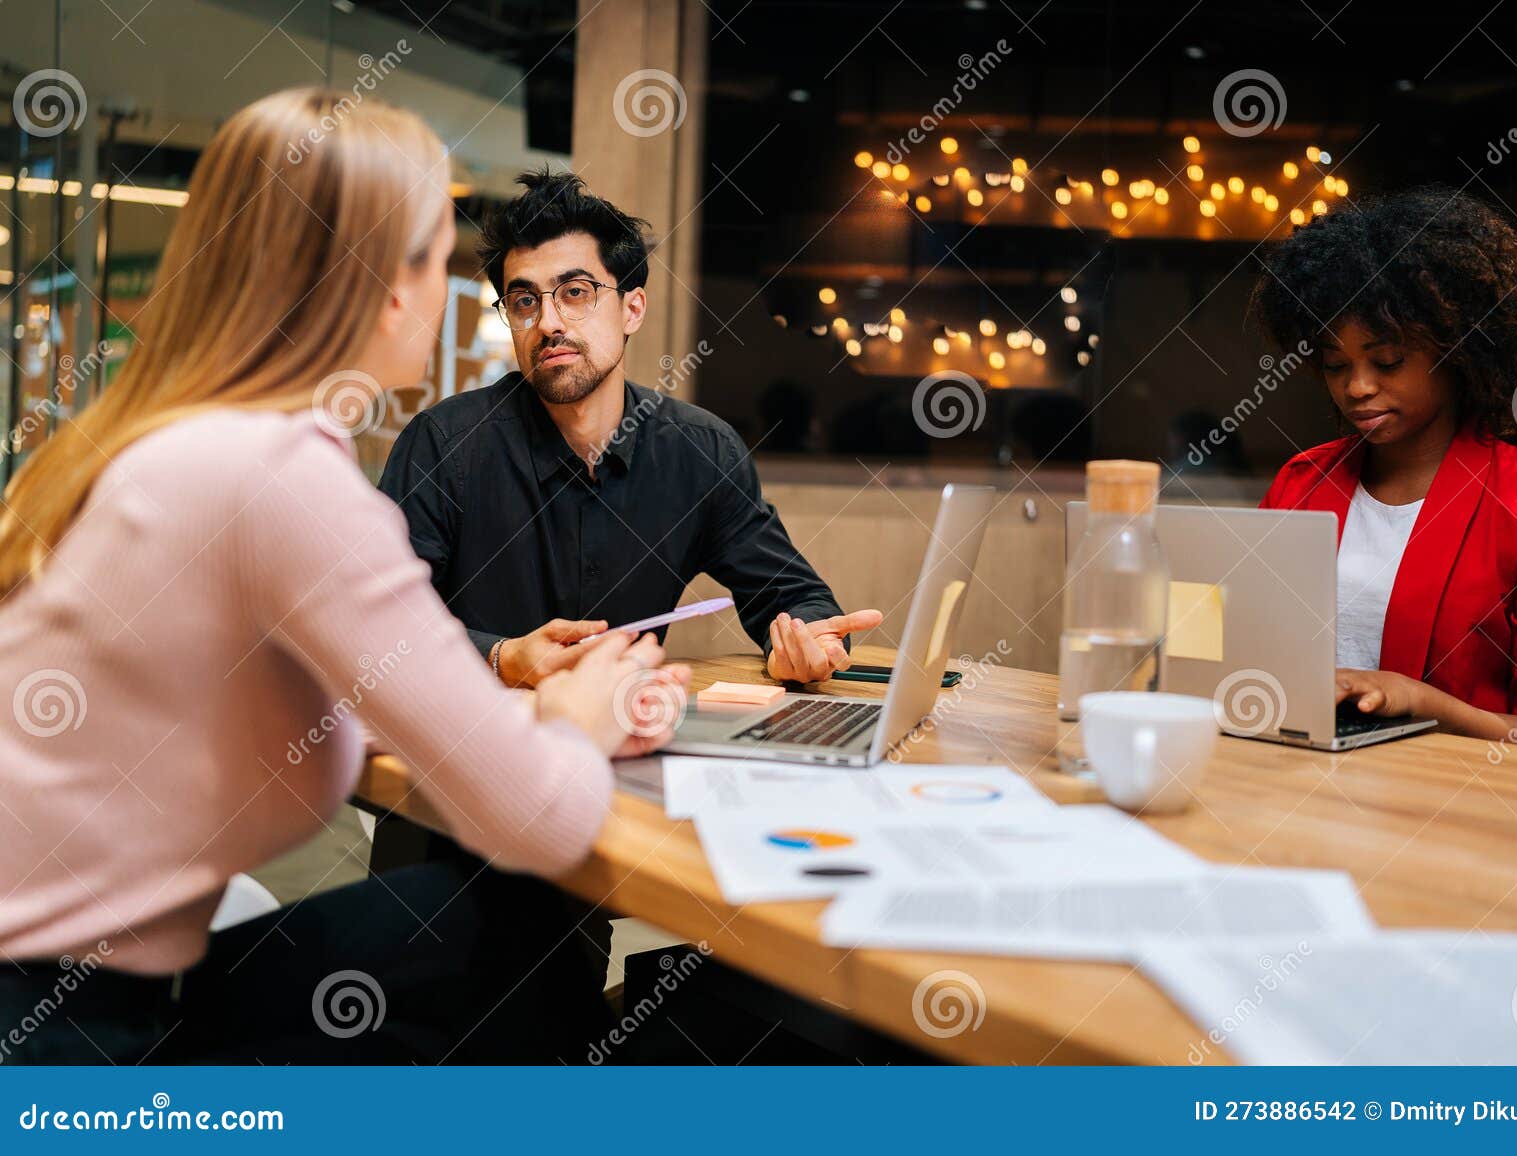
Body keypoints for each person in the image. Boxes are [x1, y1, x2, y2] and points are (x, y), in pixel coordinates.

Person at [0, 89, 689, 1063]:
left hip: (69, 984)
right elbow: (537, 819)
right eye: (437, 256)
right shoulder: (280, 476)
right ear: (387, 287)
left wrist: (516, 702)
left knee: (476, 936)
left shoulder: (160, 441)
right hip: (63, 1036)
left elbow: (293, 691)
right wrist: (586, 720)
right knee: (521, 923)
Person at [377, 168, 882, 689]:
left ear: (632, 309)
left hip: (627, 737)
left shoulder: (698, 450)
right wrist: (502, 657)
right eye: (524, 301)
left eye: (574, 292)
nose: (548, 322)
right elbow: (379, 621)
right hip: (471, 734)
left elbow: (794, 597)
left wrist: (807, 646)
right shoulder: (445, 443)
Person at [1252, 186, 1517, 754]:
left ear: (1457, 348)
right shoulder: (1302, 481)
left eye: (1388, 362)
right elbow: (1248, 655)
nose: (1358, 388)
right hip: (1297, 790)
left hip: (1459, 811)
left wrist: (1422, 703)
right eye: (1335, 365)